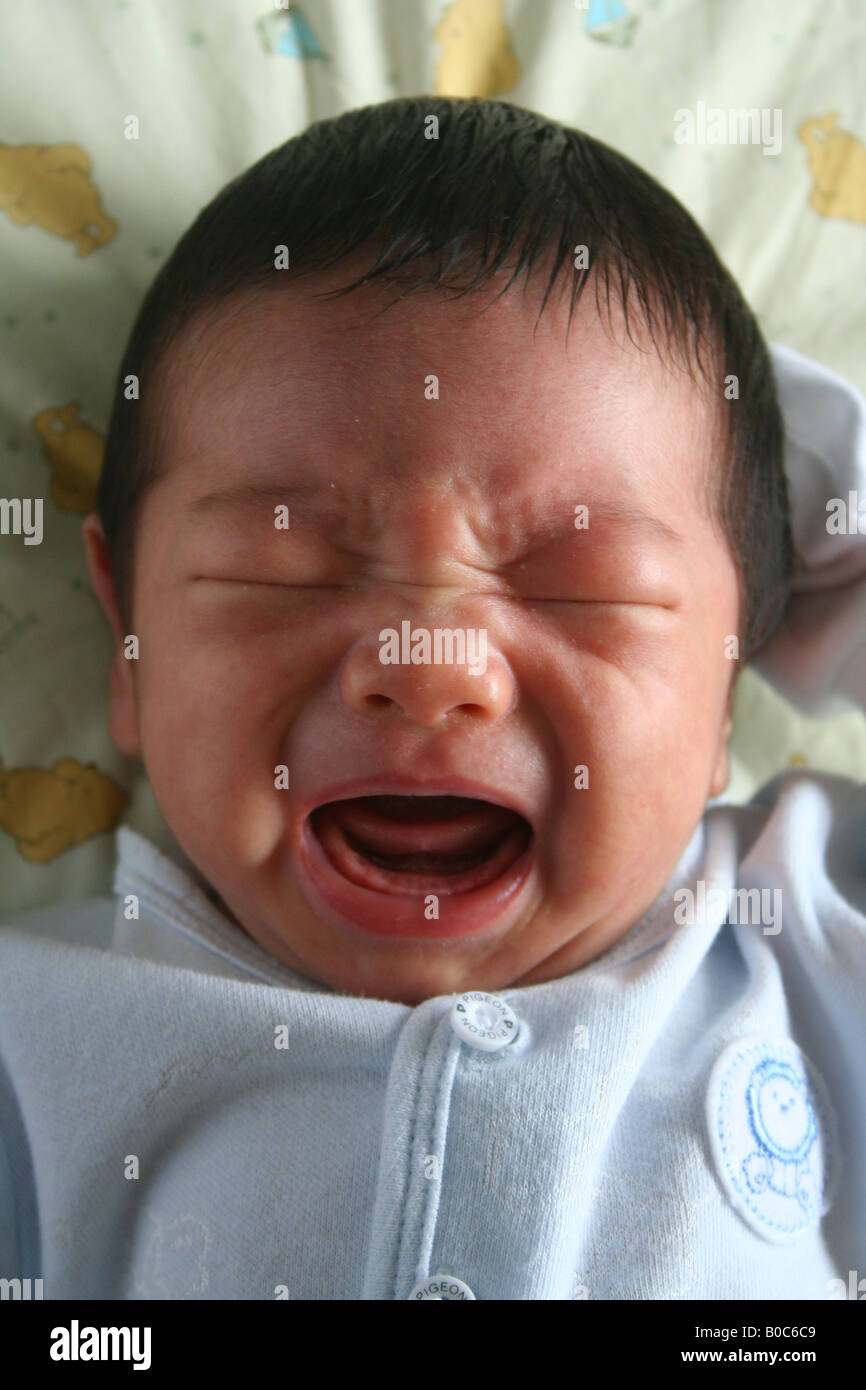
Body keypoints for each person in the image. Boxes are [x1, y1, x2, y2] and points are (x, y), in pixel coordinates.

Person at [1, 97, 863, 1300]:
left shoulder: (803, 938)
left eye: (582, 582)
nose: (424, 659)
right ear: (129, 646)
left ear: (727, 680)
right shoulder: (32, 1034)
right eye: (280, 565)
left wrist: (804, 499)